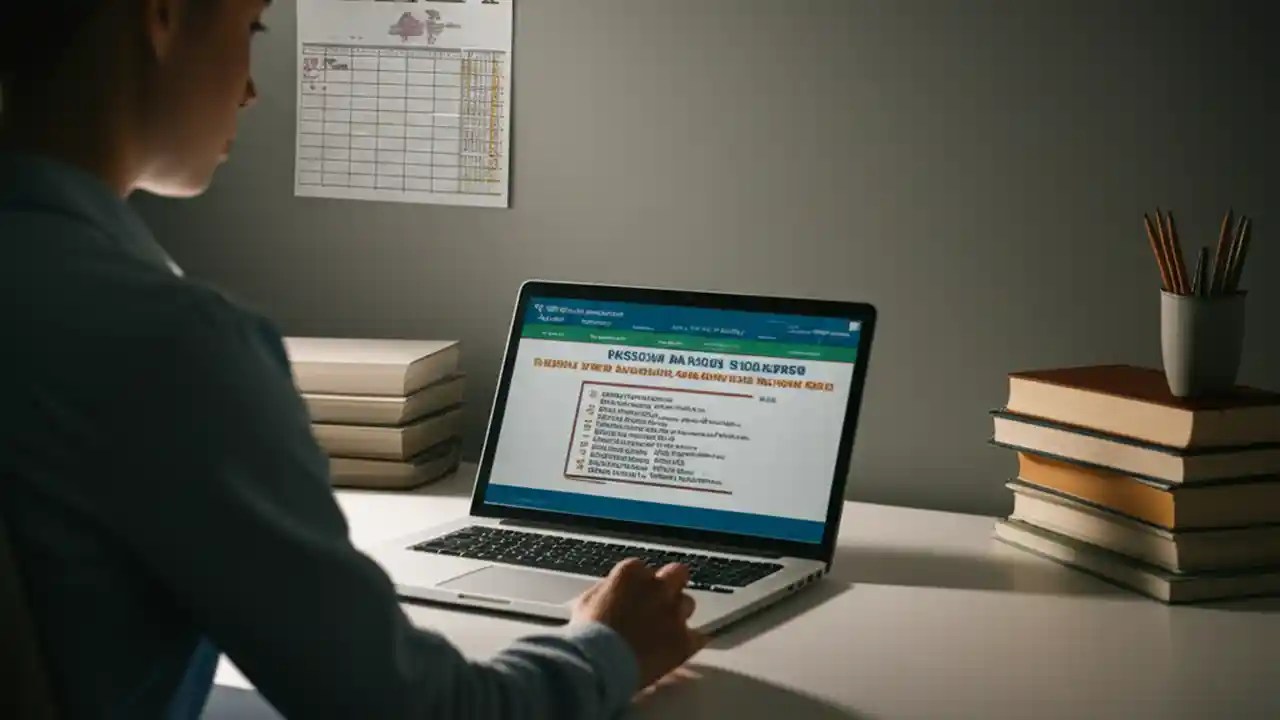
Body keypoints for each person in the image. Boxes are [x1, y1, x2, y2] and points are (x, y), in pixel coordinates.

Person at [0, 1, 704, 717]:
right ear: (164, 14)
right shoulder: (169, 345)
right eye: (252, 29)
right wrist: (607, 645)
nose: (251, 89)